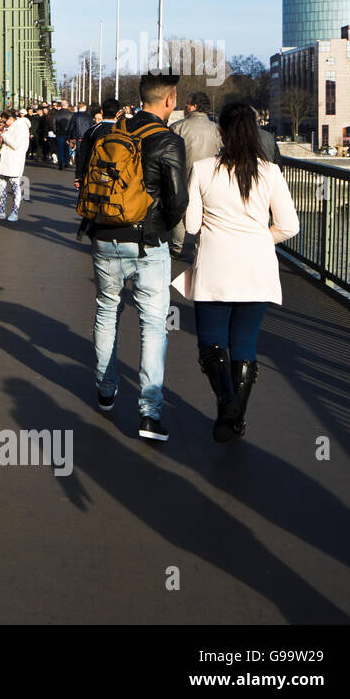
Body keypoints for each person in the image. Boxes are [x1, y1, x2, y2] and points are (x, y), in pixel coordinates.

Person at [185, 103, 300, 442]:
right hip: (257, 266)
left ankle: (226, 402)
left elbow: (192, 225)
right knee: (245, 342)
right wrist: (262, 238)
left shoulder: (204, 169)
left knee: (211, 342)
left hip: (216, 266)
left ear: (221, 131)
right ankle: (234, 419)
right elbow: (290, 226)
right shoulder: (270, 172)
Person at [82, 73, 188, 442]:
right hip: (148, 243)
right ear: (170, 100)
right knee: (153, 325)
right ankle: (149, 414)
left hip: (104, 235)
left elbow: (85, 180)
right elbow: (178, 200)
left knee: (107, 310)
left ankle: (106, 389)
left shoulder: (108, 132)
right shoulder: (167, 140)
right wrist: (164, 229)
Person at [170, 91, 223, 258]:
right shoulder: (216, 129)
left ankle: (177, 247)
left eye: (188, 103)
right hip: (210, 177)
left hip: (183, 175)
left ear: (193, 106)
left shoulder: (177, 127)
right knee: (206, 212)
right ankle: (200, 245)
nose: (185, 106)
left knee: (180, 211)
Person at [0, 109, 30, 222]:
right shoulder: (10, 127)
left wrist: (5, 134)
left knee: (15, 187)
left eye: (4, 121)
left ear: (11, 119)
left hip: (13, 161)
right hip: (5, 161)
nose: (3, 123)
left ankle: (14, 212)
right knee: (1, 185)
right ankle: (1, 211)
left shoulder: (21, 128)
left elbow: (15, 145)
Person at [74, 98, 121, 187]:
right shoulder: (123, 131)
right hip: (117, 175)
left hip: (93, 174)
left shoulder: (92, 131)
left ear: (102, 112)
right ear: (117, 114)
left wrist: (78, 176)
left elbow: (83, 154)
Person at [52, 102, 73, 170]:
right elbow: (72, 125)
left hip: (59, 133)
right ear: (67, 105)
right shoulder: (71, 114)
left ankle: (61, 162)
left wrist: (55, 131)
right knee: (67, 148)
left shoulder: (56, 113)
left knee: (60, 148)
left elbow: (53, 123)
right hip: (68, 133)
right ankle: (67, 162)